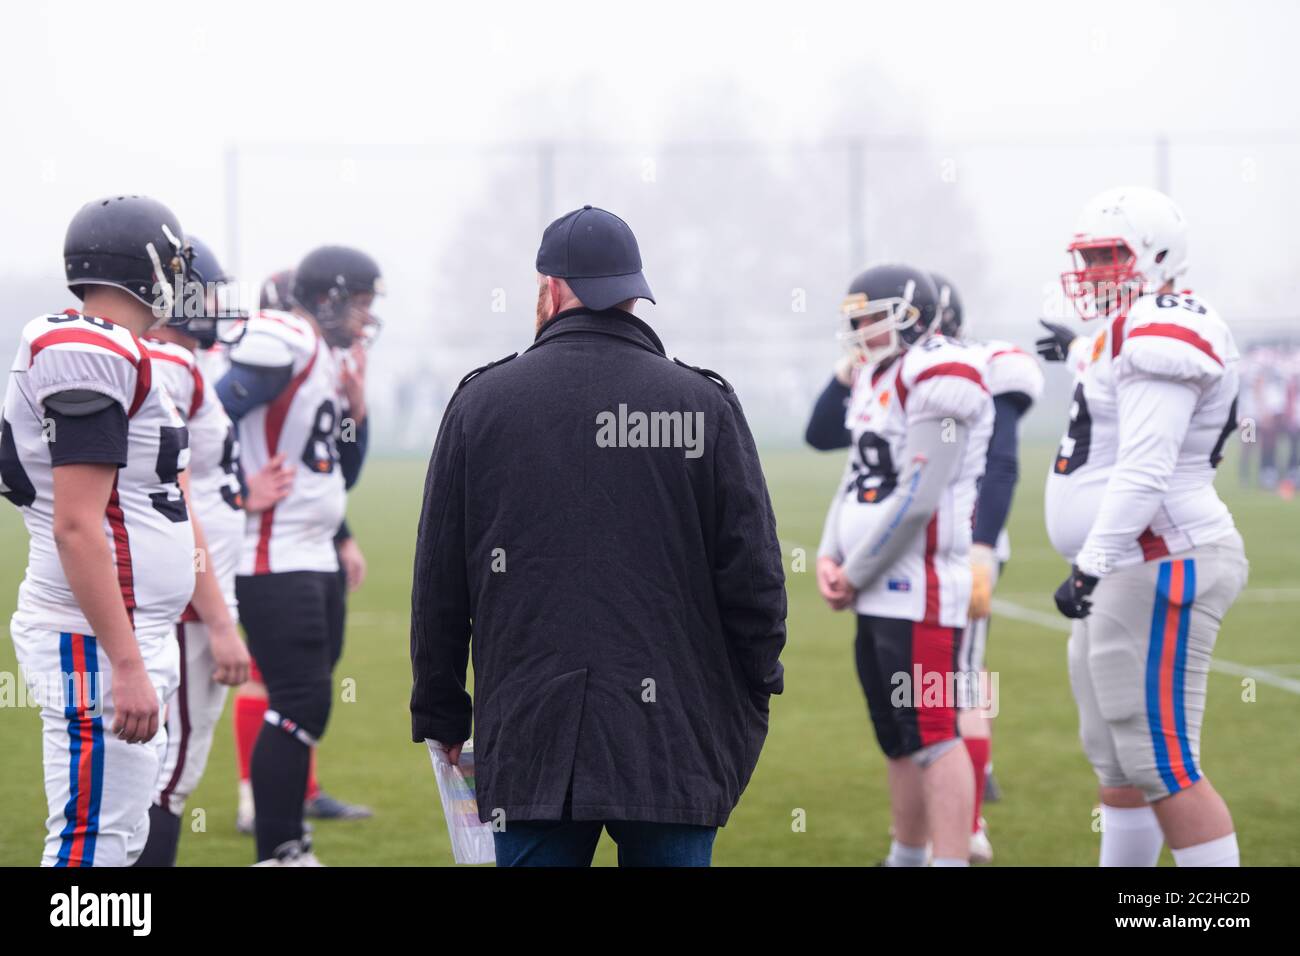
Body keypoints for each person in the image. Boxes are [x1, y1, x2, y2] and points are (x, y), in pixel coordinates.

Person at [410, 205, 786, 867]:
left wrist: (440, 710)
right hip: (675, 737)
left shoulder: (480, 404)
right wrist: (756, 683)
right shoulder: (701, 404)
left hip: (531, 738)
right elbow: (754, 577)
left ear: (550, 288)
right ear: (633, 291)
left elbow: (439, 580)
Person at [1047, 186, 1246, 868]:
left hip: (1160, 554)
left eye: (1110, 255)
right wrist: (1079, 345)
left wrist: (1092, 563)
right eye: (1088, 256)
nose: (1094, 271)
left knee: (1159, 758)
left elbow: (1146, 465)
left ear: (1158, 257)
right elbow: (1115, 379)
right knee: (1117, 758)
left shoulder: (1163, 329)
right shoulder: (1129, 327)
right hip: (1129, 563)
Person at [1, 195, 197, 866]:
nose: (181, 276)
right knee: (92, 844)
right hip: (94, 635)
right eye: (174, 262)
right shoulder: (86, 346)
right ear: (146, 266)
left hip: (119, 630)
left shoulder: (120, 349)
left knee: (119, 835)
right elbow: (78, 524)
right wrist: (125, 662)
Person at [814, 264, 992, 867]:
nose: (858, 329)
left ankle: (949, 858)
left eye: (869, 317)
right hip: (876, 589)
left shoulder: (941, 370)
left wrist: (854, 570)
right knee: (898, 738)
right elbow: (856, 477)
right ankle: (907, 857)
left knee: (934, 735)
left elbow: (919, 497)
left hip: (920, 588)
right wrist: (828, 554)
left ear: (908, 317)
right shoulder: (877, 376)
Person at [216, 245, 381, 865]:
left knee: (307, 700)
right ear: (328, 299)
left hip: (314, 553)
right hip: (272, 553)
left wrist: (356, 411)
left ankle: (290, 841)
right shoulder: (286, 334)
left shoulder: (329, 359)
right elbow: (205, 412)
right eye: (360, 303)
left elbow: (343, 470)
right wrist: (236, 492)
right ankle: (279, 848)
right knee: (297, 698)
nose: (366, 318)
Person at [130, 237, 260, 866]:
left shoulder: (175, 362)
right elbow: (176, 493)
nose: (213, 304)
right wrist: (220, 619)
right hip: (189, 600)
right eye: (205, 290)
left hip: (190, 589)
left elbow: (198, 481)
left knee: (163, 770)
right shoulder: (170, 362)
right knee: (167, 773)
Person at [931, 273, 1043, 863]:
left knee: (959, 678)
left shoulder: (986, 365)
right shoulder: (907, 372)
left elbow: (1001, 464)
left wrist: (979, 547)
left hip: (960, 546)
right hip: (923, 547)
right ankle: (971, 794)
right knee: (944, 678)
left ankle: (967, 825)